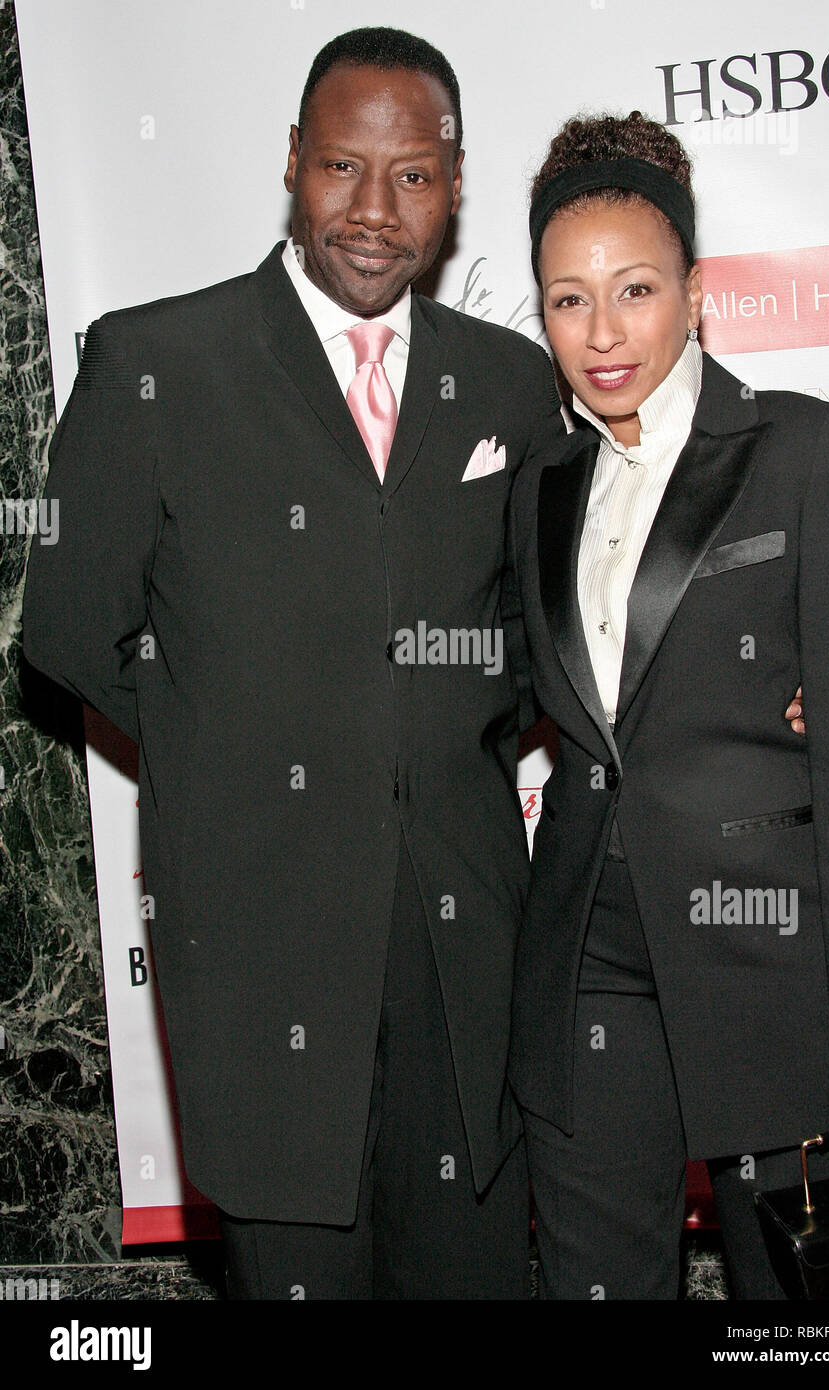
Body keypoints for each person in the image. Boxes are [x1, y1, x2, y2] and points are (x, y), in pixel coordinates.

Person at [21, 27, 569, 1300]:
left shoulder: (509, 382)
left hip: (465, 942)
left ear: (453, 181)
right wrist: (239, 748)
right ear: (290, 164)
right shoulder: (156, 362)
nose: (374, 213)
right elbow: (65, 627)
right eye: (340, 168)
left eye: (413, 177)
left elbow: (550, 632)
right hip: (263, 946)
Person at [507, 110, 829, 1300]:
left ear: (694, 292)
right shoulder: (538, 486)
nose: (603, 330)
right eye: (568, 300)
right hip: (584, 965)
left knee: (794, 1312)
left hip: (772, 965)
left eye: (634, 289)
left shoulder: (808, 450)